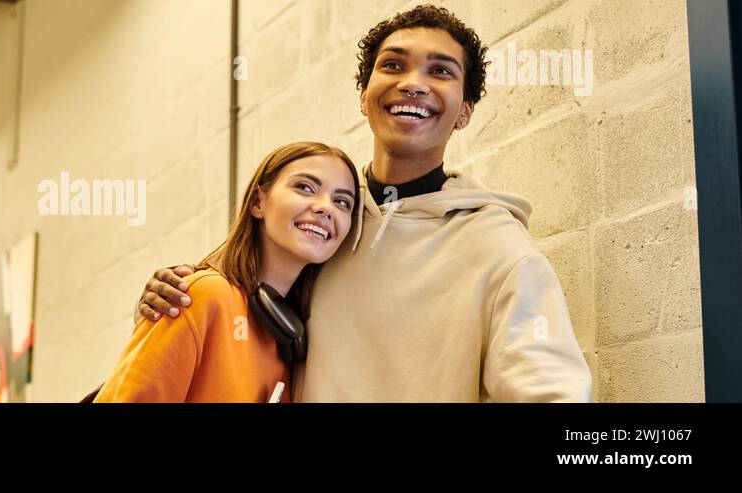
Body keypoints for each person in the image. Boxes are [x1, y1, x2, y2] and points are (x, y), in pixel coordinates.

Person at [134, 5, 591, 402]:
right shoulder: (322, 226)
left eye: (441, 71)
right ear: (363, 95)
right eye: (393, 65)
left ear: (465, 110)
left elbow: (553, 394)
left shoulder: (500, 251)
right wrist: (164, 299)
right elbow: (226, 304)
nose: (413, 83)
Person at [95, 142, 360, 402]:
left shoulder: (290, 339)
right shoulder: (201, 296)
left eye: (342, 202)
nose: (326, 207)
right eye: (304, 187)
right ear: (258, 202)